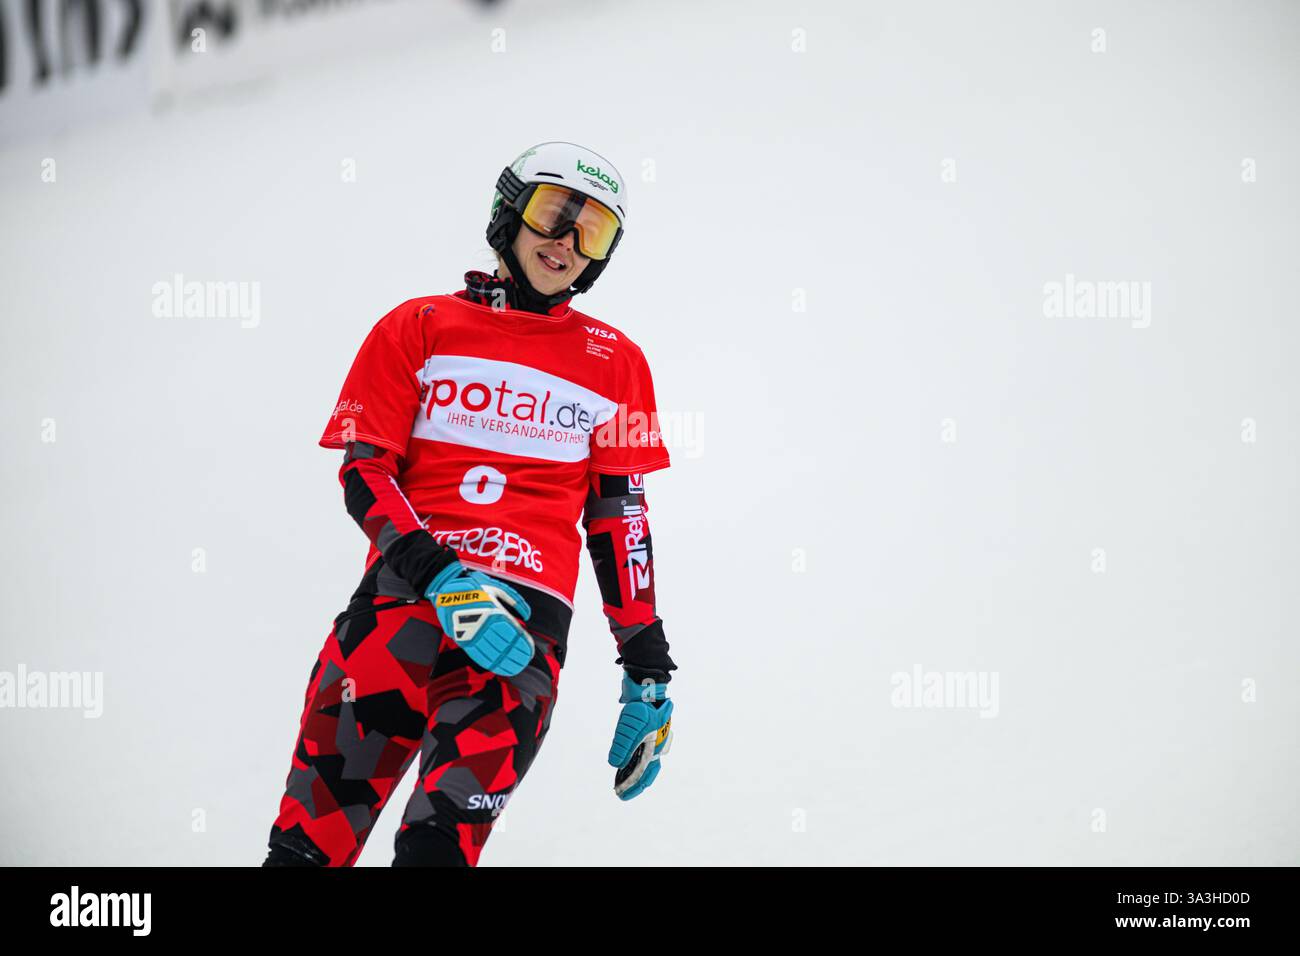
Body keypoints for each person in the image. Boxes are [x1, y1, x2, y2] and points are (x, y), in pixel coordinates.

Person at [262, 142, 676, 867]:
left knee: (436, 852)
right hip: (395, 617)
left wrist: (646, 666)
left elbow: (621, 520)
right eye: (554, 214)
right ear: (508, 212)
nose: (567, 243)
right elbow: (365, 475)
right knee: (304, 854)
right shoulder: (416, 326)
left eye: (595, 231)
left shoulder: (620, 362)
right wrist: (440, 577)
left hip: (517, 643)